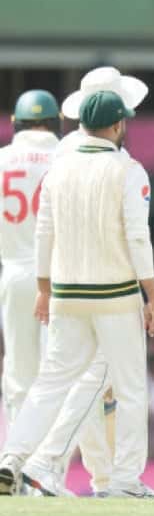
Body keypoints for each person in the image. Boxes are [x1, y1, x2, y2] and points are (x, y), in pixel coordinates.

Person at [0, 91, 154, 497]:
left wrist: (43, 288)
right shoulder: (128, 169)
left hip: (64, 292)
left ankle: (11, 458)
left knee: (48, 384)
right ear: (117, 125)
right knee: (128, 388)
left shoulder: (61, 168)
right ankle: (124, 479)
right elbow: (138, 238)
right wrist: (153, 299)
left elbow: (44, 232)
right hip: (114, 294)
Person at [0, 90, 61, 426]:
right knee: (57, 377)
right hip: (58, 278)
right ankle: (47, 472)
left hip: (14, 272)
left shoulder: (2, 158)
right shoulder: (66, 156)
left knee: (18, 375)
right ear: (55, 123)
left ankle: (13, 464)